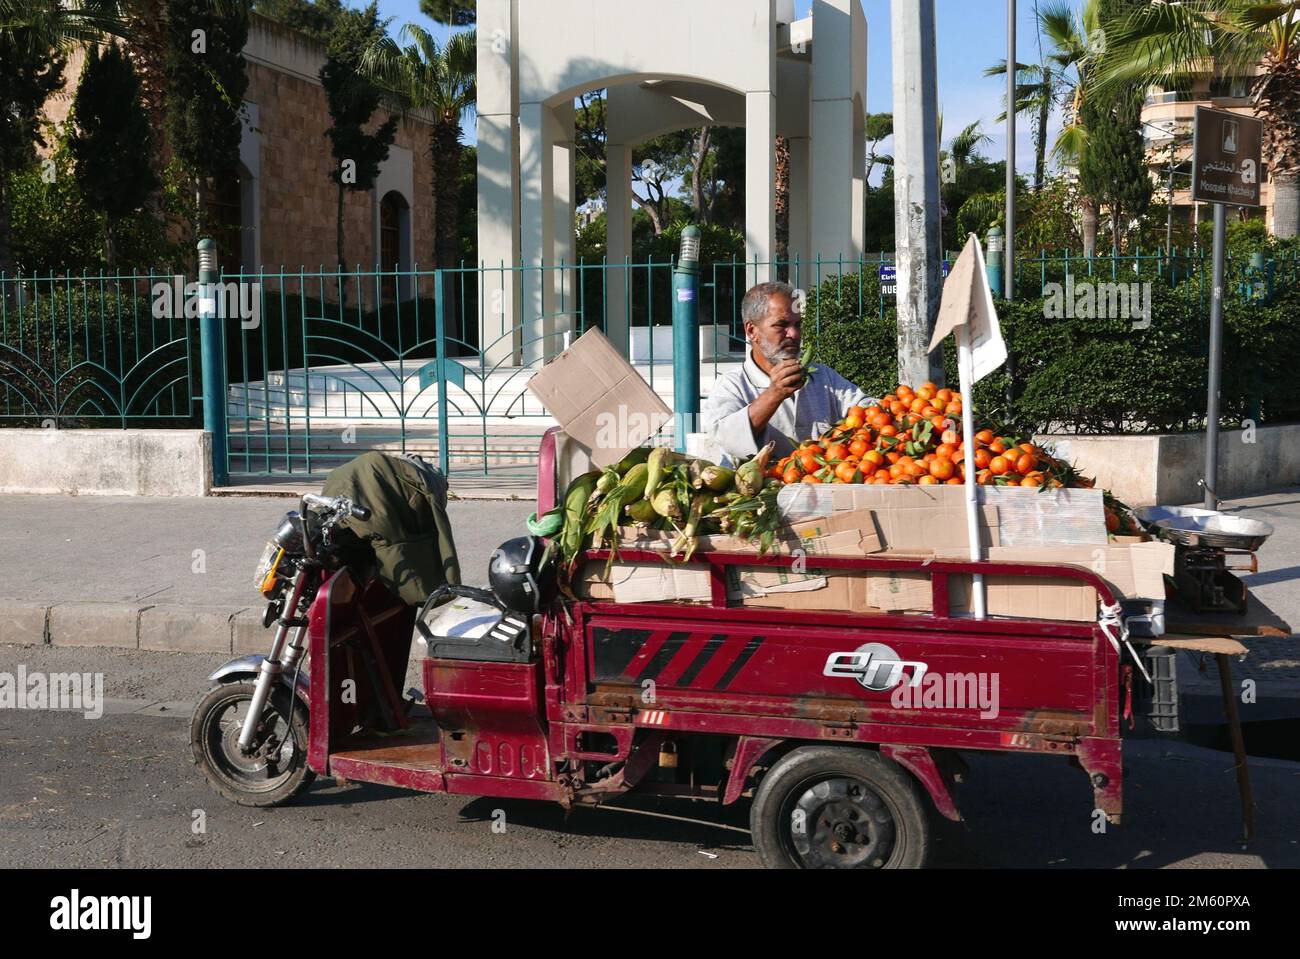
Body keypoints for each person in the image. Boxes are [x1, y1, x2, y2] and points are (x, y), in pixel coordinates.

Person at [701, 281, 876, 463]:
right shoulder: (732, 386)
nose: (793, 334)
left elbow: (866, 407)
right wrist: (774, 394)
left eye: (797, 324)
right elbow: (727, 439)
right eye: (781, 325)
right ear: (752, 331)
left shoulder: (823, 377)